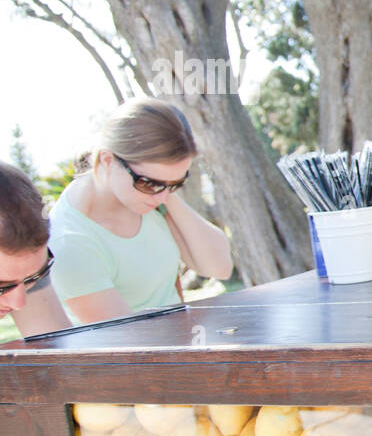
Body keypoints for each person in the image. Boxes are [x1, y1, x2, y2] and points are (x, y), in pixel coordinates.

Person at [48, 99, 233, 325]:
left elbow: (219, 266)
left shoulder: (147, 199)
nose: (163, 197)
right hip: (136, 355)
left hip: (181, 344)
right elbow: (126, 341)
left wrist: (163, 192)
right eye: (150, 182)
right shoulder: (70, 241)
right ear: (107, 159)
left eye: (176, 183)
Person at [0, 162, 73, 339]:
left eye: (33, 278)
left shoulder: (20, 268)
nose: (19, 303)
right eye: (1, 286)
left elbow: (58, 357)